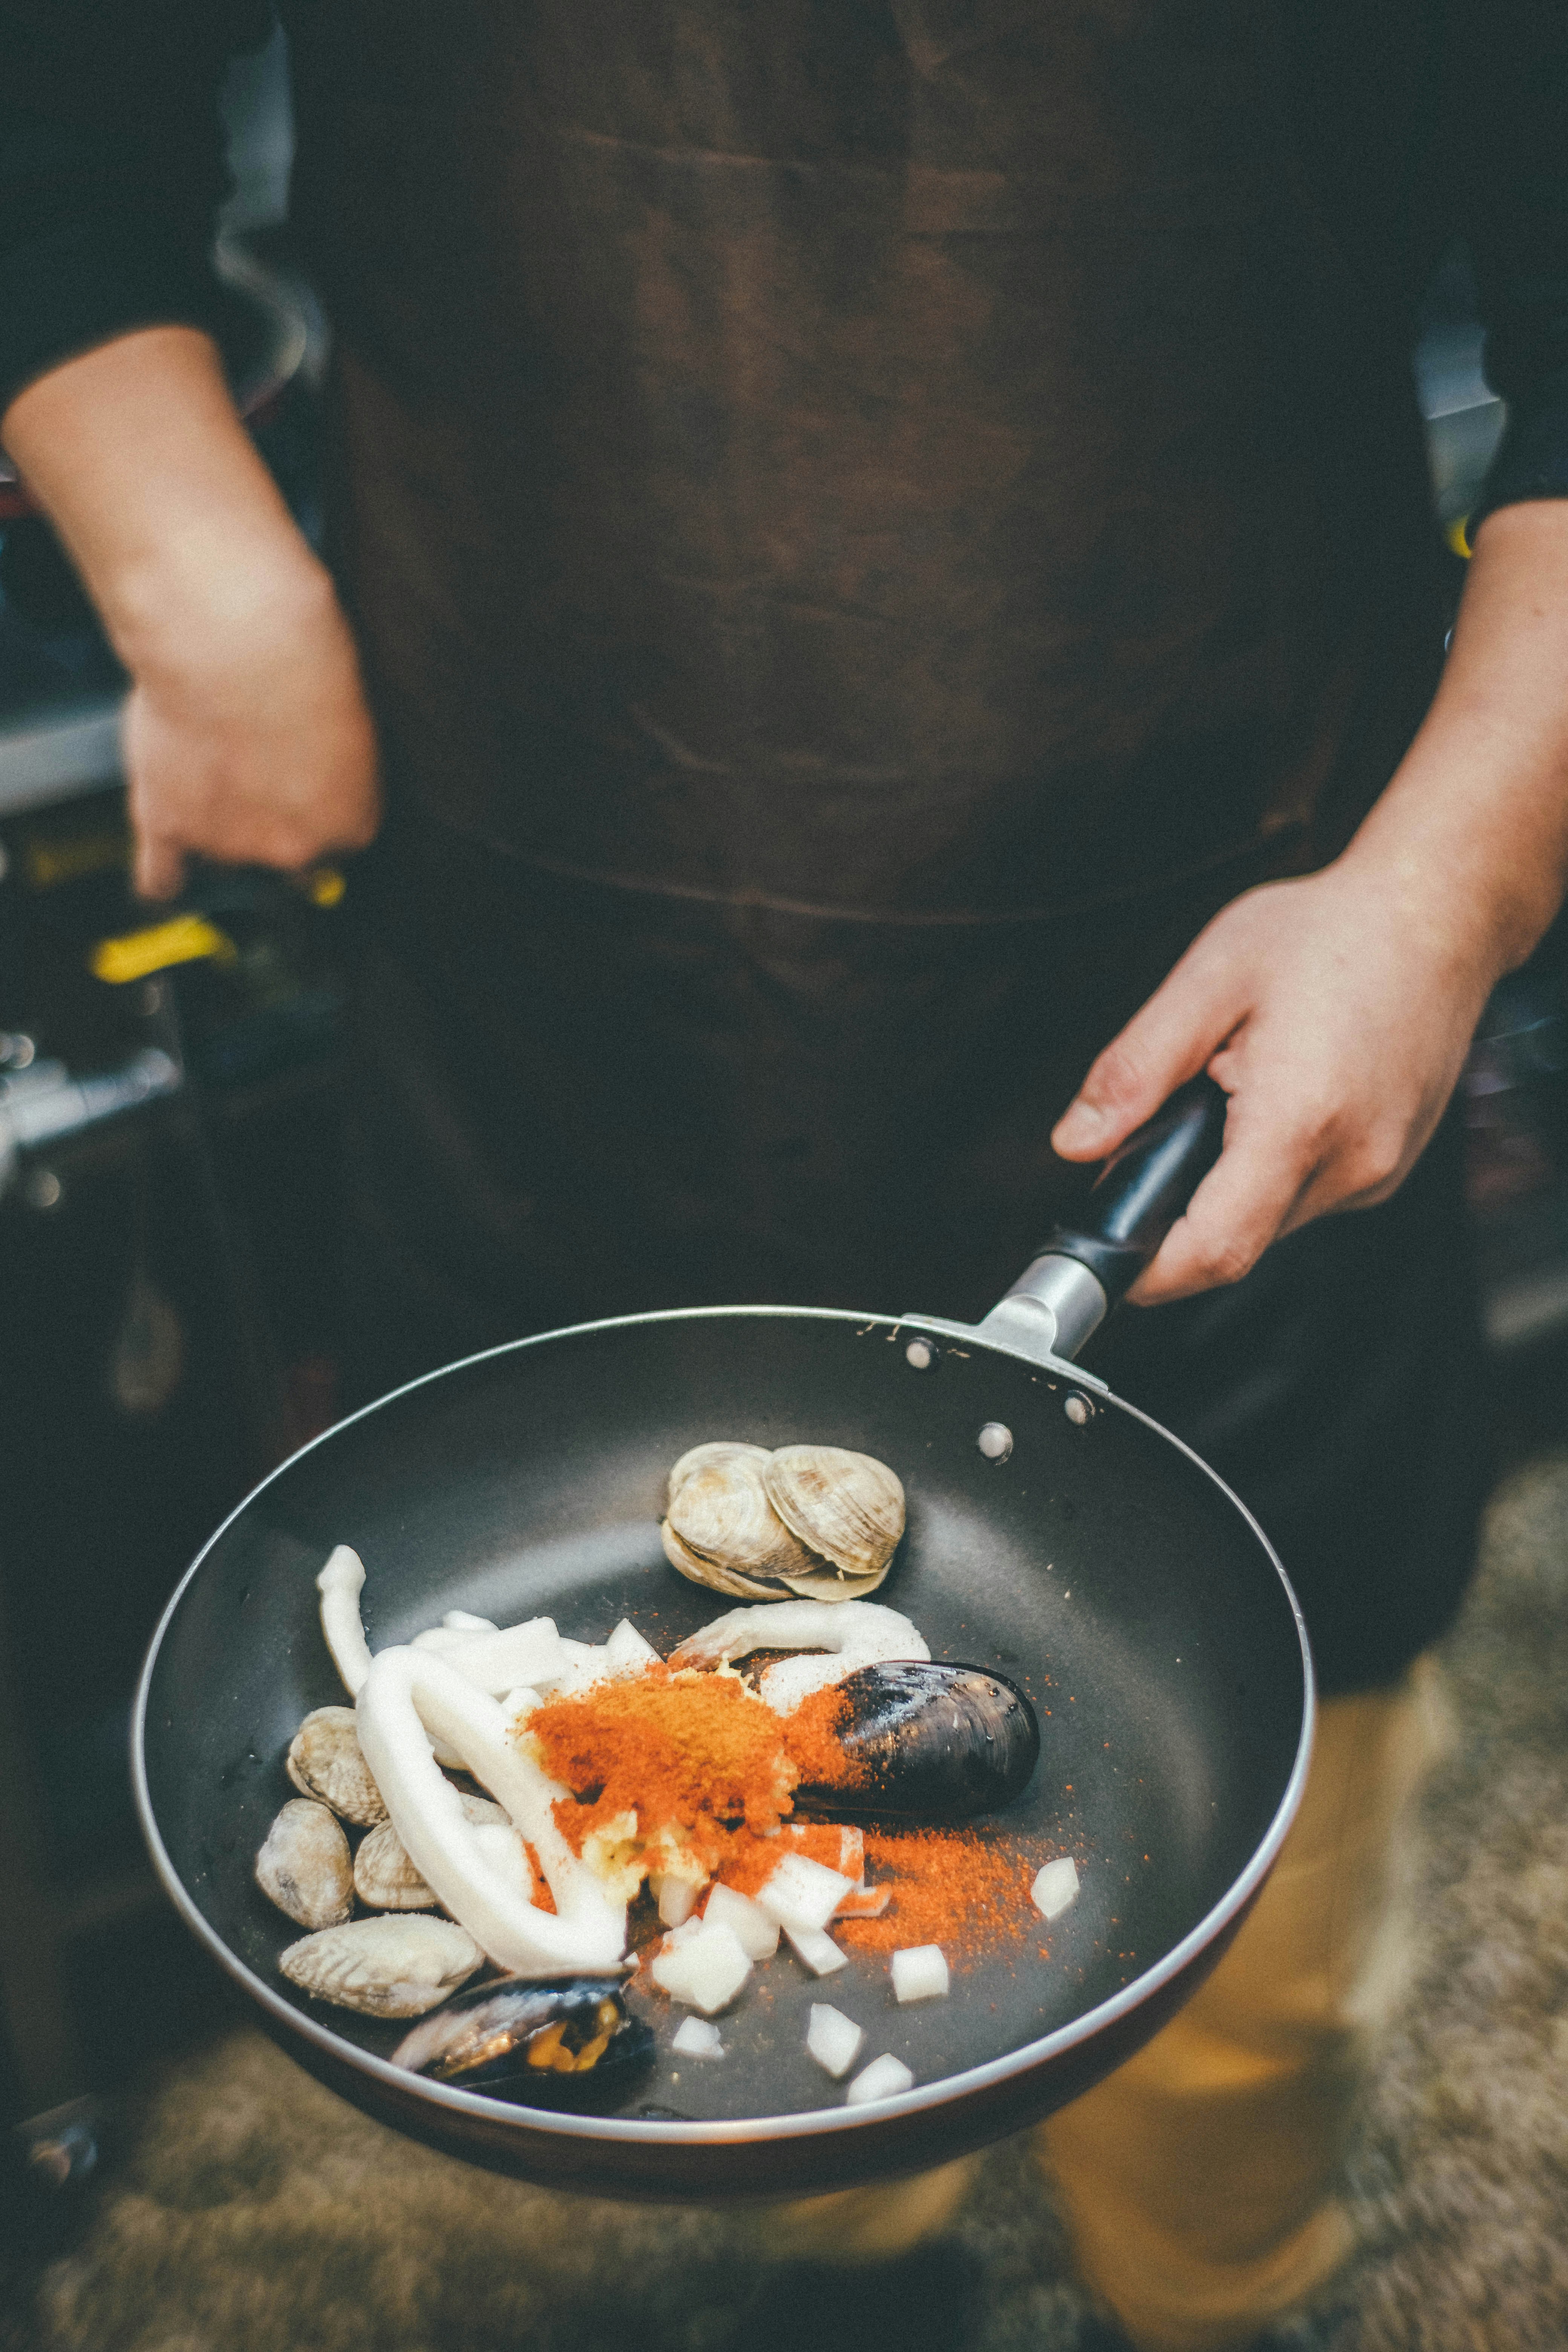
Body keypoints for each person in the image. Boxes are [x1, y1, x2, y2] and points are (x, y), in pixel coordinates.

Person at [4, 6, 1567, 2344]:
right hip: (551, 978)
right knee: (728, 2089)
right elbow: (57, 114)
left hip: (1227, 967)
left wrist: (1446, 890)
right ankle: (846, 2260)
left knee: (1248, 1973)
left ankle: (1229, 2282)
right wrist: (194, 572)